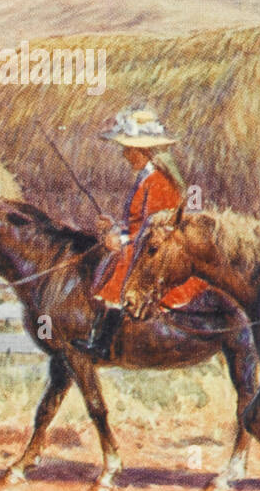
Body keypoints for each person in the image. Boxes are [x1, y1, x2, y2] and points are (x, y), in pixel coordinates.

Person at [72, 107, 205, 359]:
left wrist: (121, 240)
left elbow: (153, 231)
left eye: (128, 149)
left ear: (143, 151)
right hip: (141, 241)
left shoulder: (159, 183)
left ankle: (105, 344)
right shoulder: (146, 179)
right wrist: (115, 226)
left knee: (123, 265)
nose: (124, 154)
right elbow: (137, 223)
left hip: (154, 247)